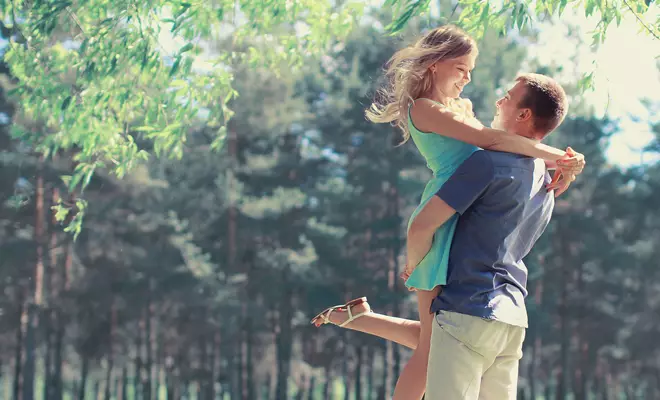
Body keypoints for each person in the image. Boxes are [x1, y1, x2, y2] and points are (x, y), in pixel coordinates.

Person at [310, 25, 584, 400]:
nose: (468, 78)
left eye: (471, 70)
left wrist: (559, 163)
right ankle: (361, 323)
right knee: (430, 345)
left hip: (460, 211)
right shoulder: (425, 108)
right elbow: (495, 141)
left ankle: (358, 318)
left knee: (434, 333)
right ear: (435, 64)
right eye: (461, 68)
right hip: (443, 216)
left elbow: (507, 142)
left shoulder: (462, 109)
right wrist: (561, 158)